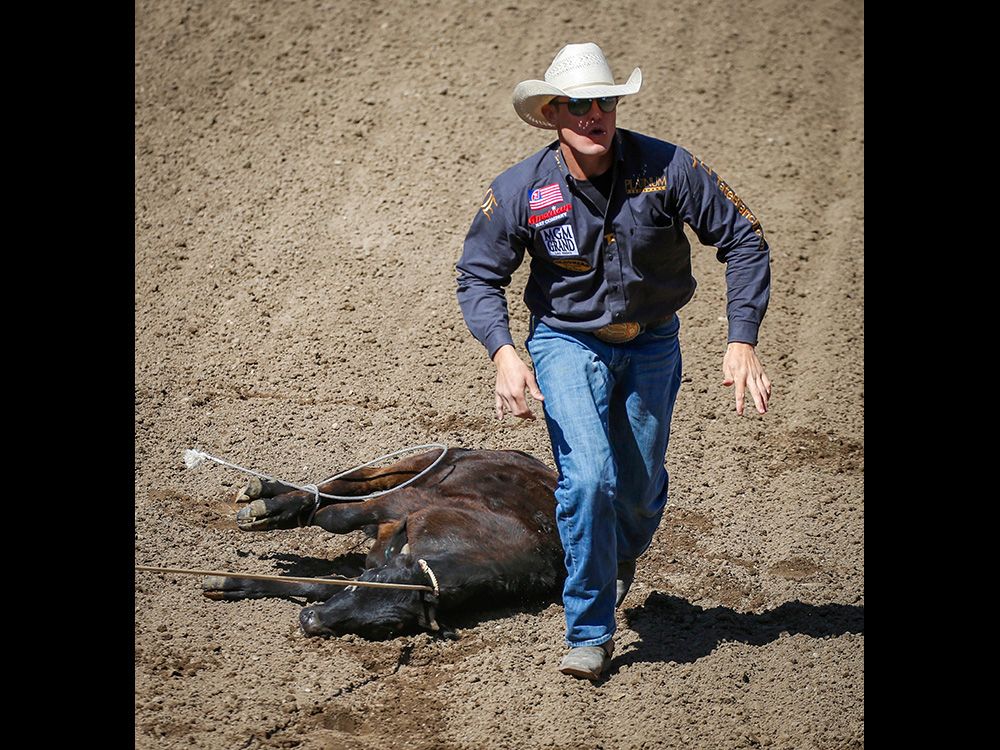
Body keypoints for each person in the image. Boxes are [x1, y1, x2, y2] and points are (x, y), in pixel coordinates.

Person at [455, 43, 772, 680]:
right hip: (565, 343)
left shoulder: (670, 167)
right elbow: (477, 275)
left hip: (653, 341)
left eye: (605, 101)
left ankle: (611, 557)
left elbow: (744, 238)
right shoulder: (521, 189)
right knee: (590, 480)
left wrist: (743, 339)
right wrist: (504, 354)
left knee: (638, 489)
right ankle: (589, 630)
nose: (594, 114)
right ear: (551, 114)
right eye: (578, 104)